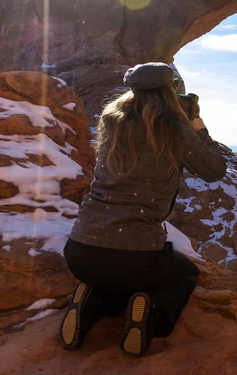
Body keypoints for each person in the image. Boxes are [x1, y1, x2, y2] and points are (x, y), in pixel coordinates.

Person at [59, 62, 227, 356]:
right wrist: (196, 123)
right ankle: (152, 312)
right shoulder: (174, 128)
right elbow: (214, 169)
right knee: (184, 274)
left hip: (80, 250)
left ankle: (91, 298)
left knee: (115, 276)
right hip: (135, 255)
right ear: (170, 92)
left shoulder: (112, 121)